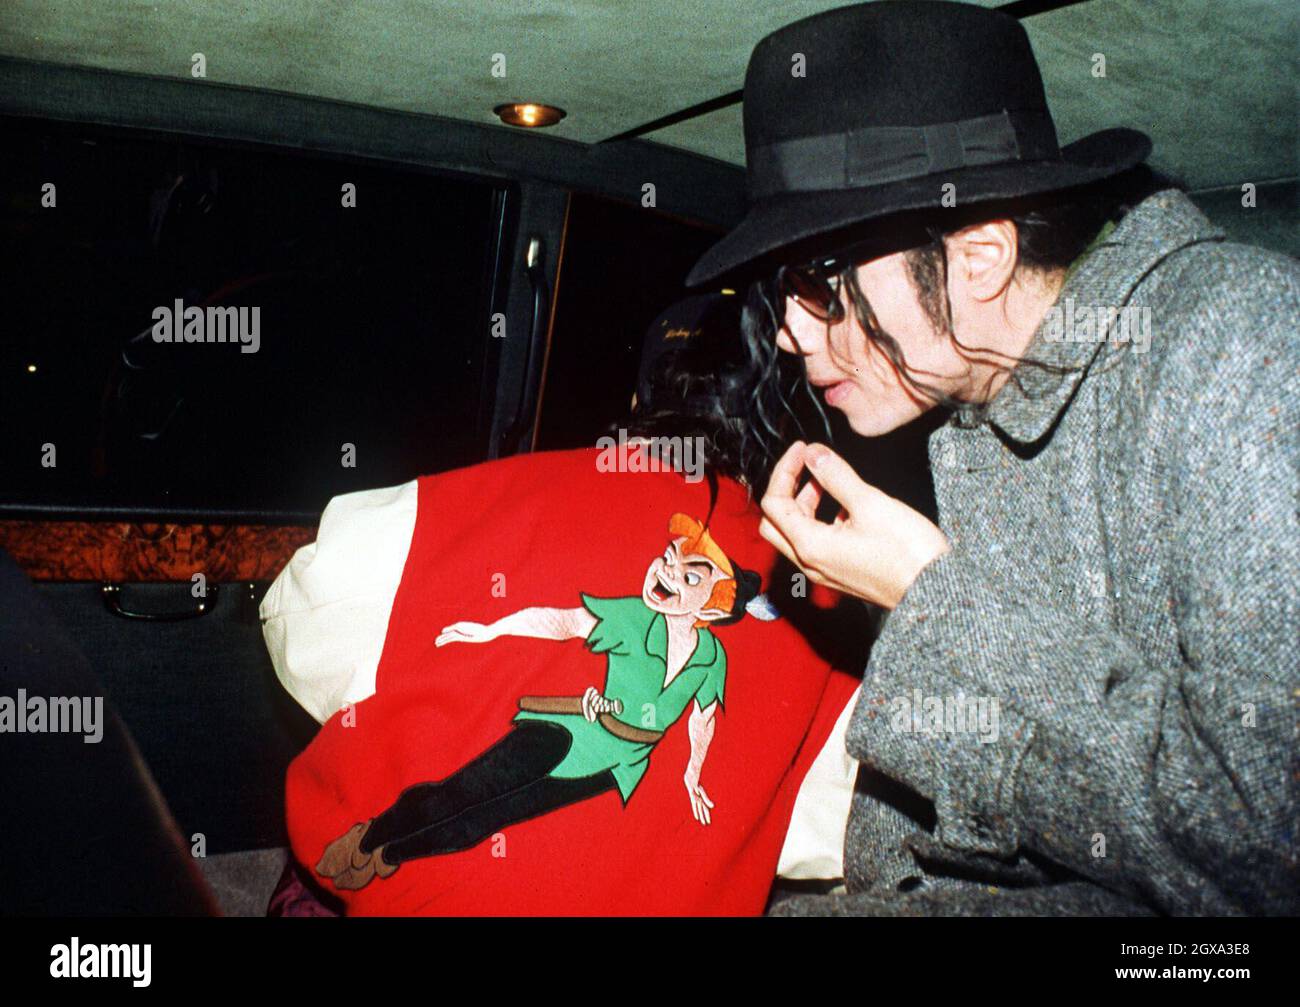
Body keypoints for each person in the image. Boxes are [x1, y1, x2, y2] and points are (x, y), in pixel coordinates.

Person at [686, 1, 1298, 915]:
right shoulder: (958, 407)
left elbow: (1266, 847)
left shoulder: (1238, 341)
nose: (784, 330)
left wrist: (930, 598)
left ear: (978, 257)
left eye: (818, 282)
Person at [260, 295, 865, 915]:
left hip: (610, 763)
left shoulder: (484, 498)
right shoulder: (828, 611)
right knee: (467, 804)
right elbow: (822, 836)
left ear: (637, 403)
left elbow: (302, 618)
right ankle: (382, 841)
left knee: (482, 814)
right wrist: (489, 631)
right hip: (573, 733)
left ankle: (378, 846)